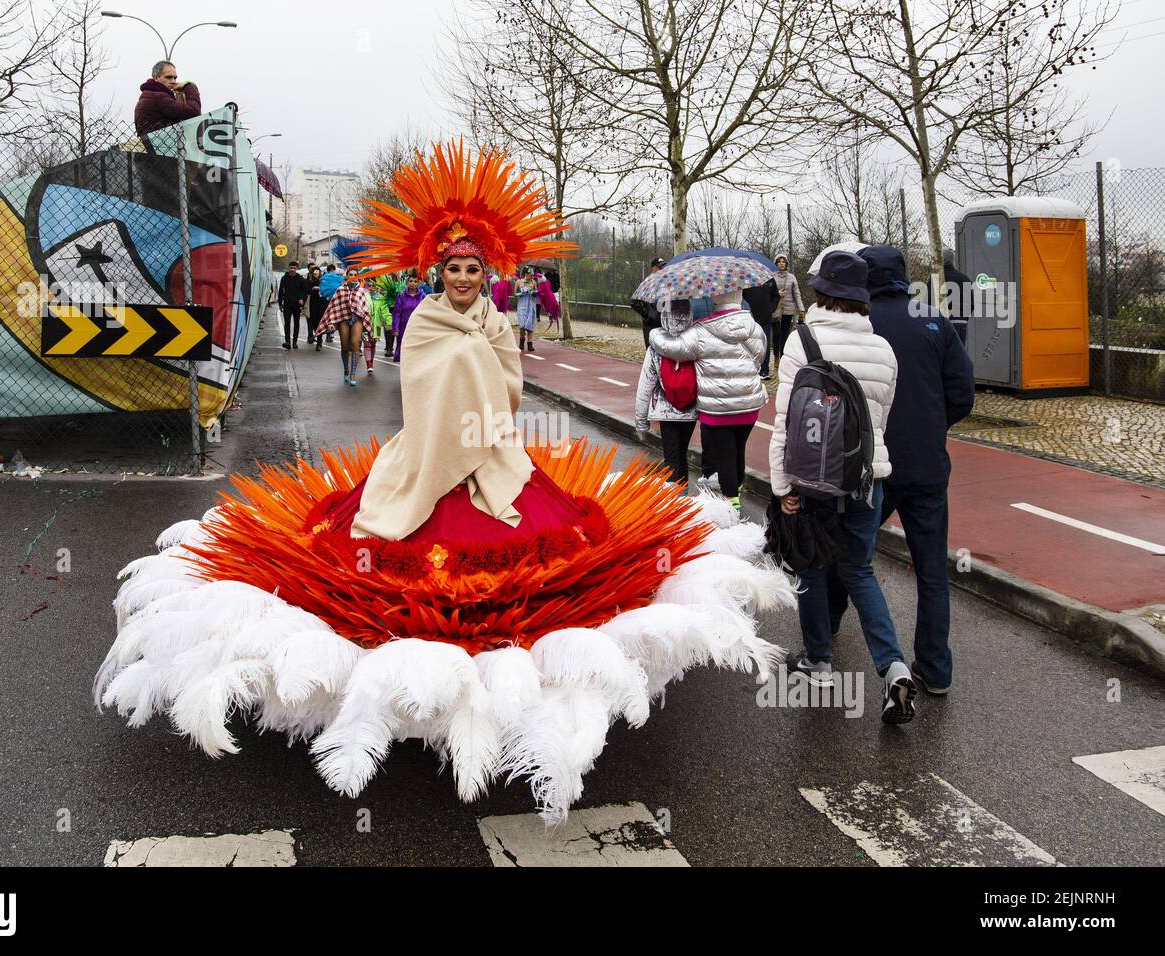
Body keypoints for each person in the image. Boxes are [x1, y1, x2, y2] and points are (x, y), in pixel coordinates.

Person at [97, 140, 788, 824]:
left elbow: (507, 386)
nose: (462, 278)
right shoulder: (427, 321)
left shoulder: (492, 319)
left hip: (495, 459)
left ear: (486, 273)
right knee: (383, 529)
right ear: (439, 271)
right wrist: (469, 364)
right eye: (453, 267)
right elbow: (430, 380)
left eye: (472, 269)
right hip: (432, 457)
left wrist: (484, 364)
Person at [769, 251, 914, 725]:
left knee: (810, 568)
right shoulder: (884, 350)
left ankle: (818, 662)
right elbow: (882, 421)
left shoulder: (800, 341)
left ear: (821, 294)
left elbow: (783, 424)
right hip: (866, 481)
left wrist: (781, 486)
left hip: (813, 483)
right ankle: (893, 667)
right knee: (859, 572)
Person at [828, 245, 975, 697]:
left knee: (852, 554)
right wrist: (933, 426)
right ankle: (934, 668)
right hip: (928, 466)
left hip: (874, 465)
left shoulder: (863, 325)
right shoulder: (934, 320)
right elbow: (962, 391)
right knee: (932, 571)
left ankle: (827, 629)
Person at [649, 290, 767, 511]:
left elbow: (673, 350)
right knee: (738, 451)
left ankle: (731, 503)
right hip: (749, 403)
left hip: (716, 407)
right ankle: (735, 494)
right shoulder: (755, 327)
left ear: (715, 298)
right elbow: (760, 357)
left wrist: (655, 334)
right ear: (740, 297)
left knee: (725, 454)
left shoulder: (701, 329)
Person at [634, 300, 699, 489]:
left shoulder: (655, 346)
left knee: (671, 457)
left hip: (665, 410)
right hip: (690, 411)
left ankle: (674, 503)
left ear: (664, 316)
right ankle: (683, 498)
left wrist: (641, 421)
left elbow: (645, 385)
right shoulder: (697, 344)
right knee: (682, 453)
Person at [315, 269, 370, 386]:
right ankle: (346, 368)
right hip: (343, 319)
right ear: (347, 276)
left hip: (357, 320)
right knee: (345, 345)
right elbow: (333, 307)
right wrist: (331, 322)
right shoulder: (340, 290)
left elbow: (365, 308)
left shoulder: (361, 291)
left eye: (355, 275)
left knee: (355, 343)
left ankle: (353, 373)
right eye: (351, 275)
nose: (353, 277)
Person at [134, 61, 202, 136]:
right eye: (168, 77)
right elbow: (193, 111)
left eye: (175, 78)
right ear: (155, 77)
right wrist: (189, 86)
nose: (173, 81)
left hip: (157, 142)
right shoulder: (156, 96)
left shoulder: (150, 95)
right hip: (161, 143)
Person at [741, 275, 780, 379]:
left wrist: (771, 308)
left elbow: (776, 295)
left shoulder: (769, 279)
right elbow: (741, 295)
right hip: (749, 318)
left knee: (765, 344)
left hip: (765, 318)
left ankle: (764, 370)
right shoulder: (745, 278)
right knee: (748, 345)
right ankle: (750, 369)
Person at [771, 255, 805, 370]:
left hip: (788, 310)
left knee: (785, 335)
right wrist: (777, 293)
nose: (781, 263)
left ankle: (783, 357)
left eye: (783, 262)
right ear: (776, 263)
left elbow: (797, 294)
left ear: (786, 264)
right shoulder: (772, 276)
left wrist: (801, 309)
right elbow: (769, 293)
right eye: (779, 262)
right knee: (776, 334)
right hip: (775, 310)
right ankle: (776, 356)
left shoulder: (792, 277)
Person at [392, 274, 428, 362]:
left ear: (419, 283)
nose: (413, 283)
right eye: (411, 281)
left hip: (417, 329)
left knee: (416, 353)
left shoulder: (423, 296)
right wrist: (395, 329)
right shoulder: (401, 296)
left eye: (415, 281)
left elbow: (426, 313)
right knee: (403, 353)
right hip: (403, 328)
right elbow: (396, 313)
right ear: (407, 282)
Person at [630, 258, 666, 347]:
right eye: (659, 267)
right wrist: (648, 315)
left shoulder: (666, 282)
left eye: (663, 267)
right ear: (652, 268)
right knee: (651, 350)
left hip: (663, 324)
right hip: (650, 325)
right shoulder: (647, 283)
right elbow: (634, 301)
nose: (662, 269)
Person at [942, 249, 972, 348]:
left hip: (941, 323)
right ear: (952, 260)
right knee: (959, 355)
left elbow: (929, 302)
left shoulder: (937, 278)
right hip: (960, 322)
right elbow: (971, 304)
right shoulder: (965, 279)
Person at [278, 262, 309, 350]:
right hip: (287, 304)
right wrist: (280, 303)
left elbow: (305, 291)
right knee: (287, 323)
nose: (292, 270)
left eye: (294, 268)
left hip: (297, 304)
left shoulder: (300, 279)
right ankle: (287, 341)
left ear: (296, 269)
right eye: (291, 268)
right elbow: (281, 291)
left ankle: (294, 342)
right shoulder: (284, 278)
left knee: (296, 323)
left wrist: (302, 299)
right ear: (289, 268)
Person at [515, 267, 539, 352]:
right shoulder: (518, 282)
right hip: (522, 305)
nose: (531, 276)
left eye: (532, 275)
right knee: (522, 325)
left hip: (531, 305)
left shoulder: (533, 282)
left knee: (530, 326)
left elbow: (537, 293)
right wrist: (521, 293)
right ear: (525, 274)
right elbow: (515, 294)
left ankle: (530, 344)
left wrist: (534, 293)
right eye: (530, 275)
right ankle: (521, 342)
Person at [305, 264, 326, 348]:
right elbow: (306, 291)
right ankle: (317, 335)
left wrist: (320, 289)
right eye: (315, 272)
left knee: (319, 322)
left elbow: (327, 290)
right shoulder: (309, 281)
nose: (316, 273)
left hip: (321, 304)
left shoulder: (323, 281)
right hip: (312, 303)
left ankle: (319, 340)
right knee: (313, 322)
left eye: (317, 272)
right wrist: (312, 289)